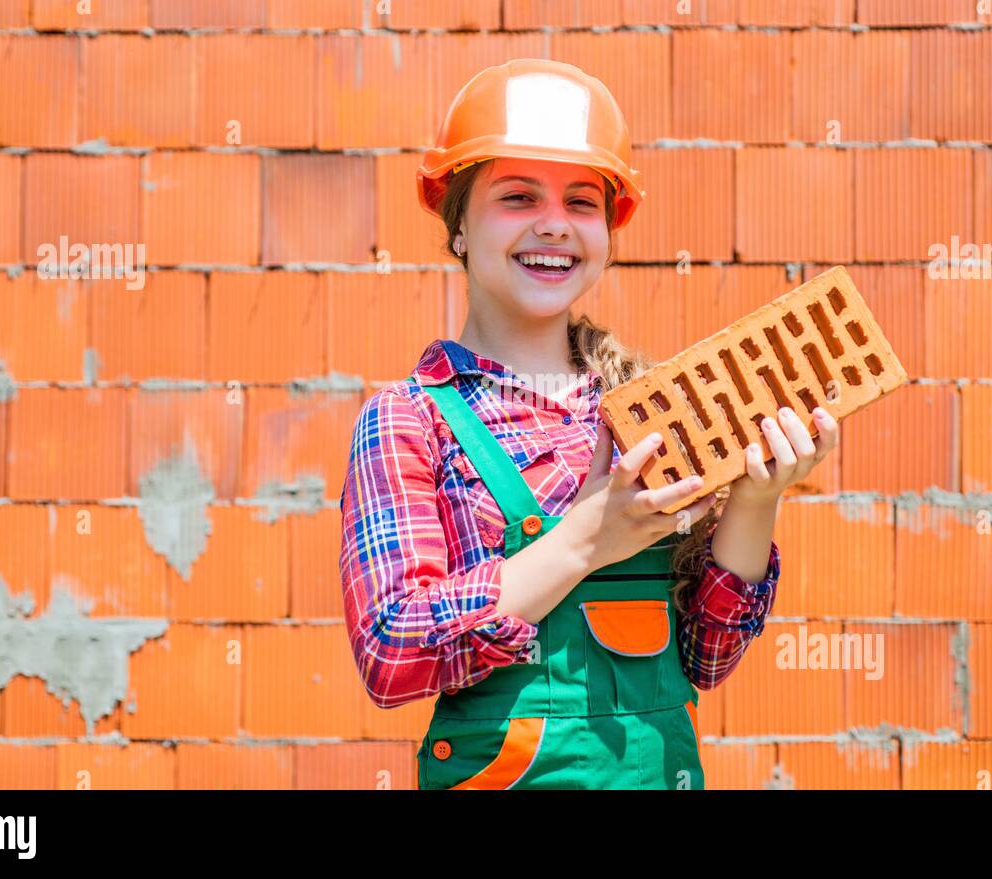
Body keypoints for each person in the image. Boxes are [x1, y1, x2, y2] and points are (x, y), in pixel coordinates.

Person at [339, 59, 838, 790]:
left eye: (582, 201)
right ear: (458, 226)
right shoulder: (410, 419)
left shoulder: (649, 404)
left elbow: (704, 655)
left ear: (608, 230)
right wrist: (585, 539)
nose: (553, 224)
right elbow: (391, 653)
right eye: (517, 196)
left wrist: (760, 498)